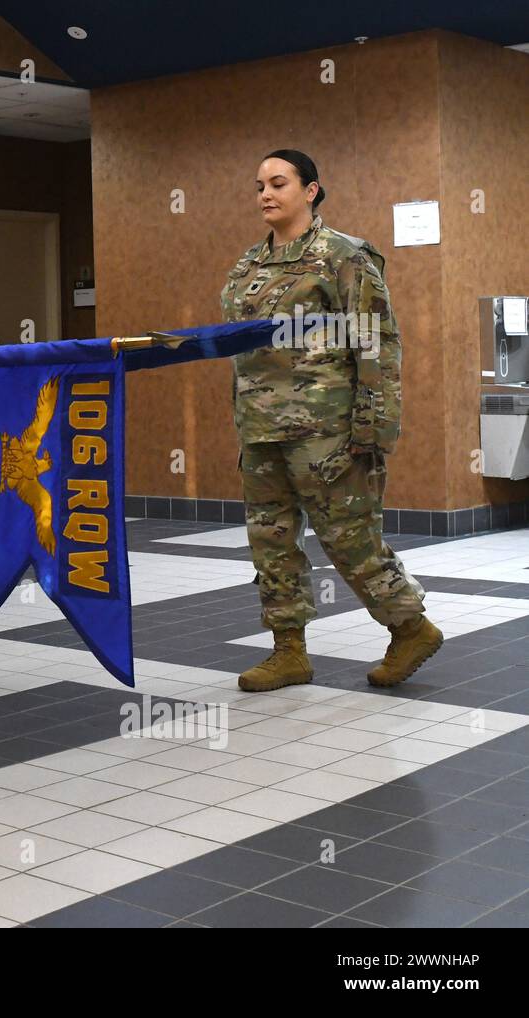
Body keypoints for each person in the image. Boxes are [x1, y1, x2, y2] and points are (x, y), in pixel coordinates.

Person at [221, 148, 443, 693]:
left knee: (348, 539)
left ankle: (410, 627)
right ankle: (288, 651)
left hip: (326, 430)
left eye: (278, 184)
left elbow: (376, 344)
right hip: (261, 427)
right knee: (270, 541)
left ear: (311, 190)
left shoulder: (343, 256)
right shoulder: (250, 264)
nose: (266, 195)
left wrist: (372, 430)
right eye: (259, 186)